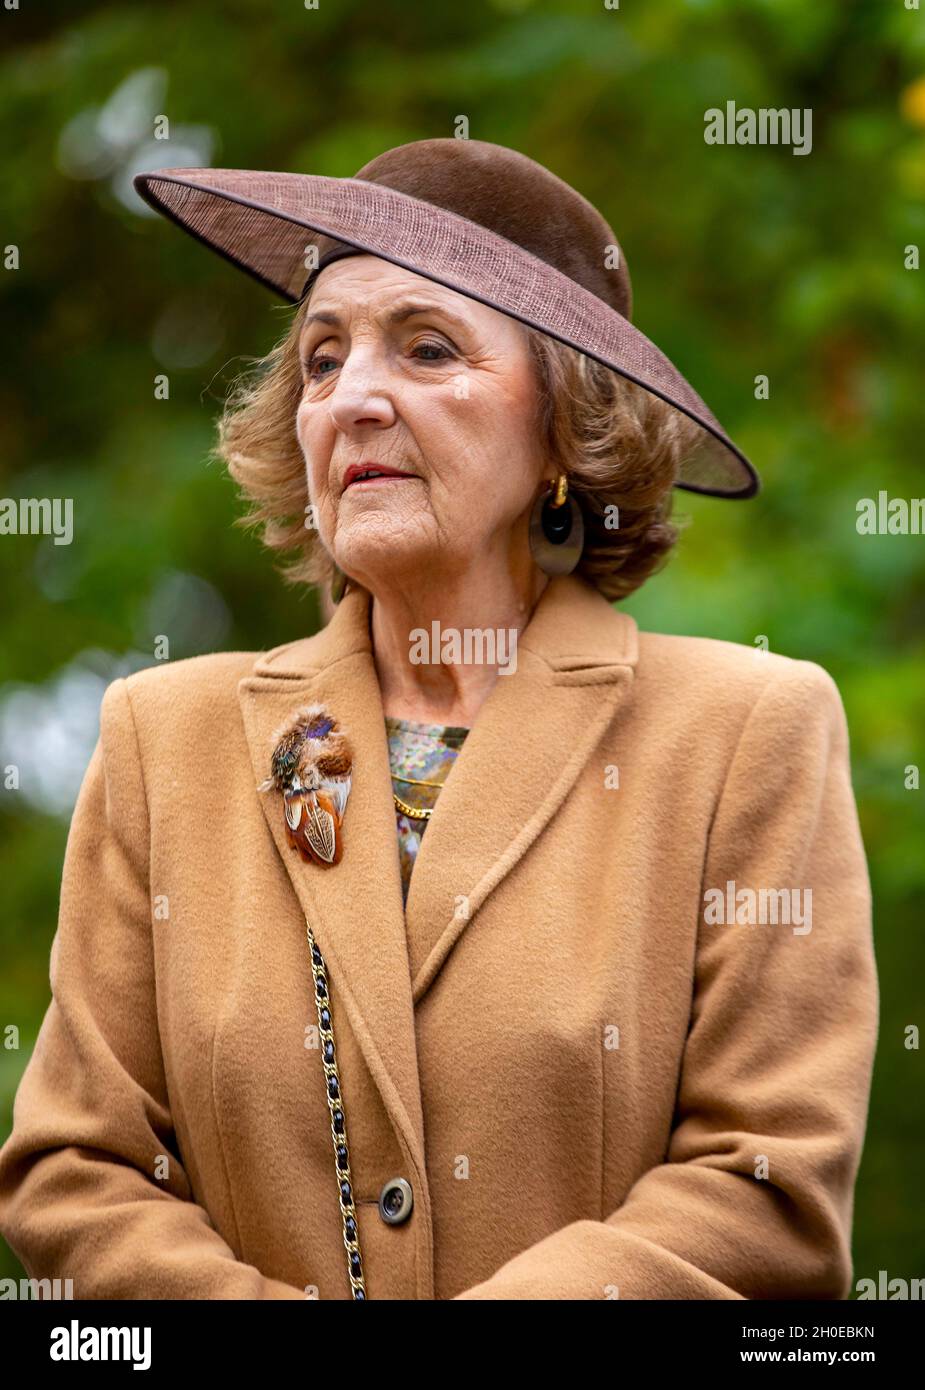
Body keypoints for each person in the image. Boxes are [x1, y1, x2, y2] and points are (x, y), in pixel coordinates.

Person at [0, 139, 878, 1300]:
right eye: (321, 360)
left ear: (565, 430)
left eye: (425, 347)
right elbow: (76, 1169)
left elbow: (765, 1185)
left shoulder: (744, 730)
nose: (353, 397)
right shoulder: (163, 741)